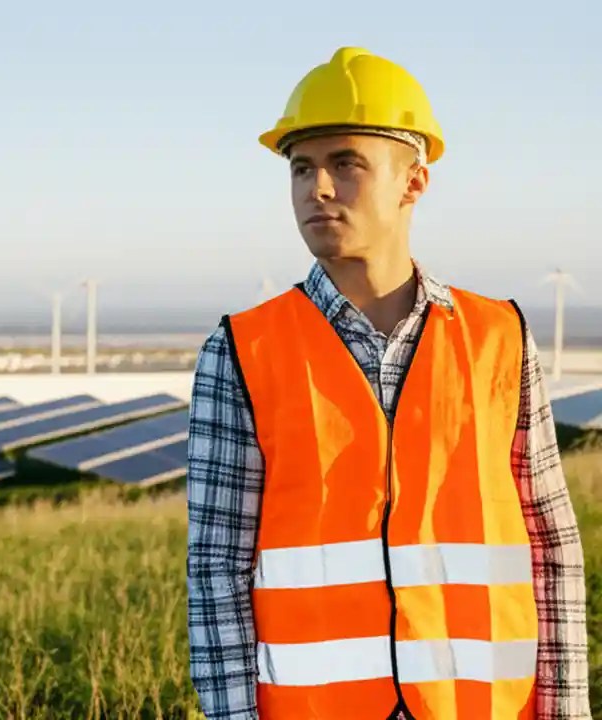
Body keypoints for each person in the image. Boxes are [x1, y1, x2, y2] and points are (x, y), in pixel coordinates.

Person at [185, 47, 590, 719]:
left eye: (345, 164)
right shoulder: (241, 351)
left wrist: (566, 710)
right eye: (301, 167)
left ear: (413, 183)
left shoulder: (501, 338)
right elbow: (216, 573)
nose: (317, 188)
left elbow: (551, 546)